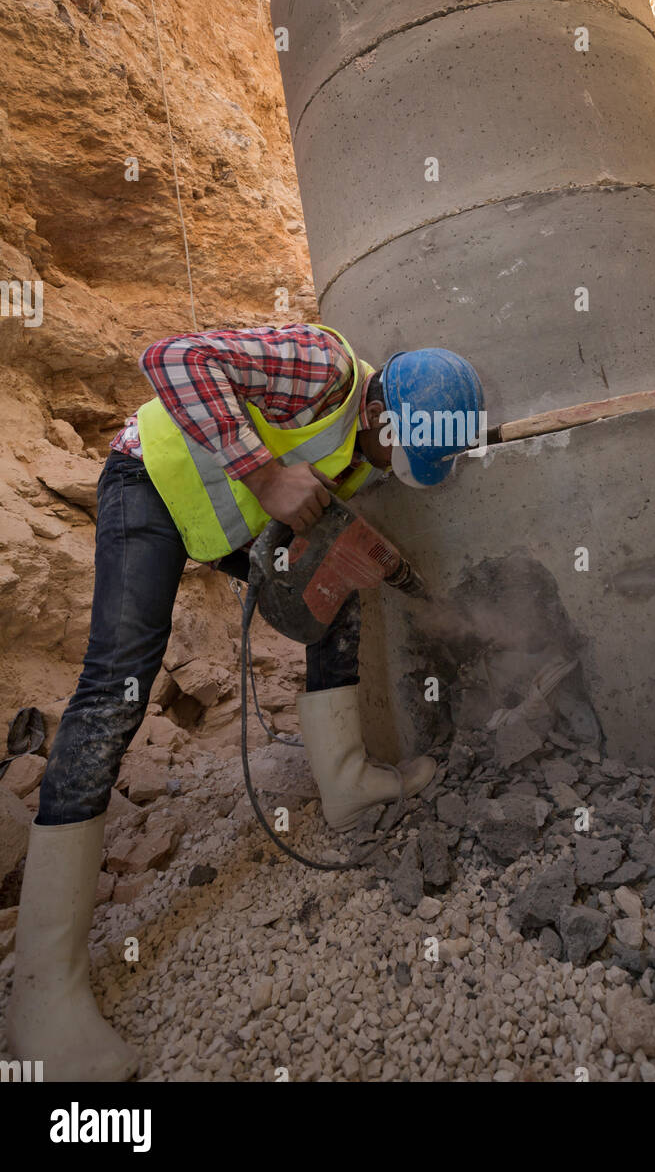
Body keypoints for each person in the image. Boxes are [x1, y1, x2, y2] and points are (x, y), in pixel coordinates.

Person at [6, 321, 484, 1081]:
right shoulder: (320, 368)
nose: (390, 471)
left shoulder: (363, 449)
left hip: (216, 515)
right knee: (116, 688)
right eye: (396, 455)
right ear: (379, 414)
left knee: (338, 587)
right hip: (147, 481)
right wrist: (264, 474)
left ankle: (347, 785)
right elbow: (170, 358)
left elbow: (315, 521)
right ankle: (43, 994)